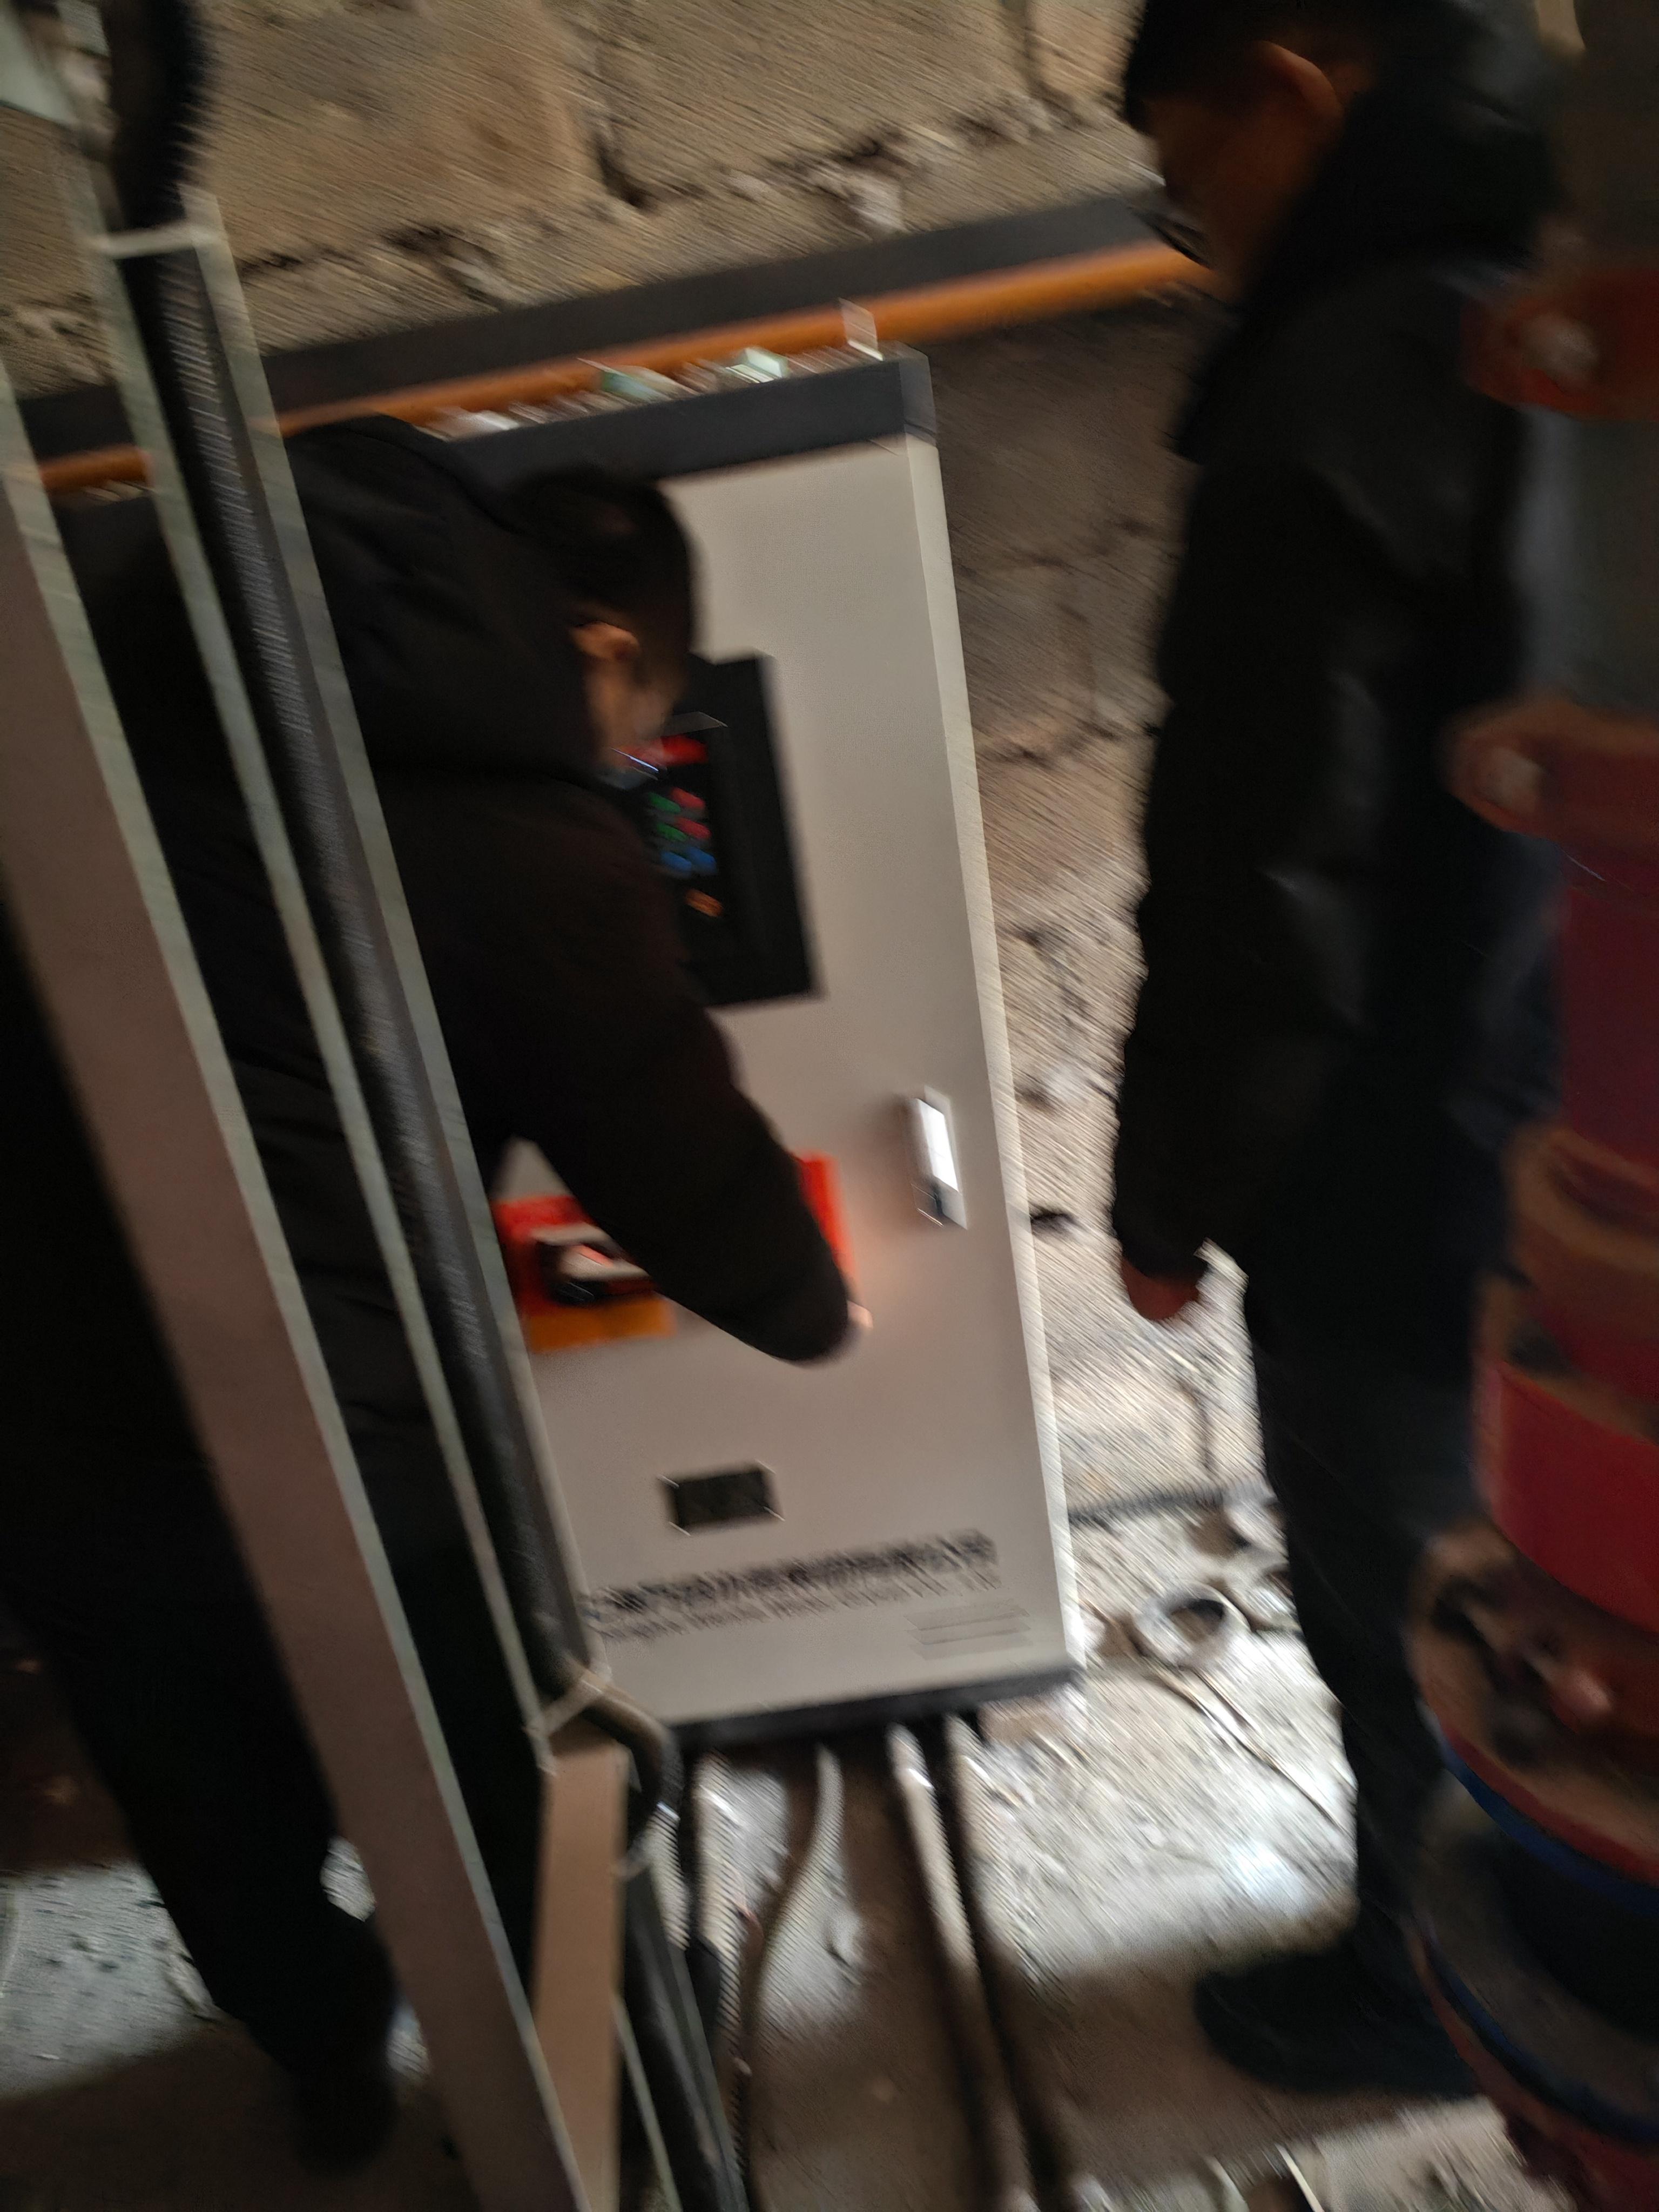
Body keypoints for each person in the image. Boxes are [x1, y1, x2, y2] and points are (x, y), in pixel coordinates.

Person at [1, 436, 852, 2164]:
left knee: (198, 1791)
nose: (629, 764)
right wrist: (813, 1305)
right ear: (602, 649)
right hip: (333, 1436)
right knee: (504, 1785)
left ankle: (323, 2055)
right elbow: (689, 1175)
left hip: (45, 1419)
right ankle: (596, 2093)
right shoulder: (532, 837)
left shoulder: (104, 654)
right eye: (643, 728)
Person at [1111, 0, 1559, 2096]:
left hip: (1413, 1159)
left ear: (1297, 92)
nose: (1201, 241)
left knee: (1418, 1611)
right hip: (1594, 1118)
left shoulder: (1349, 378)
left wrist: (1167, 1196)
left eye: (1192, 183)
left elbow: (1259, 870)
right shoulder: (1586, 281)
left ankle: (1442, 1988)